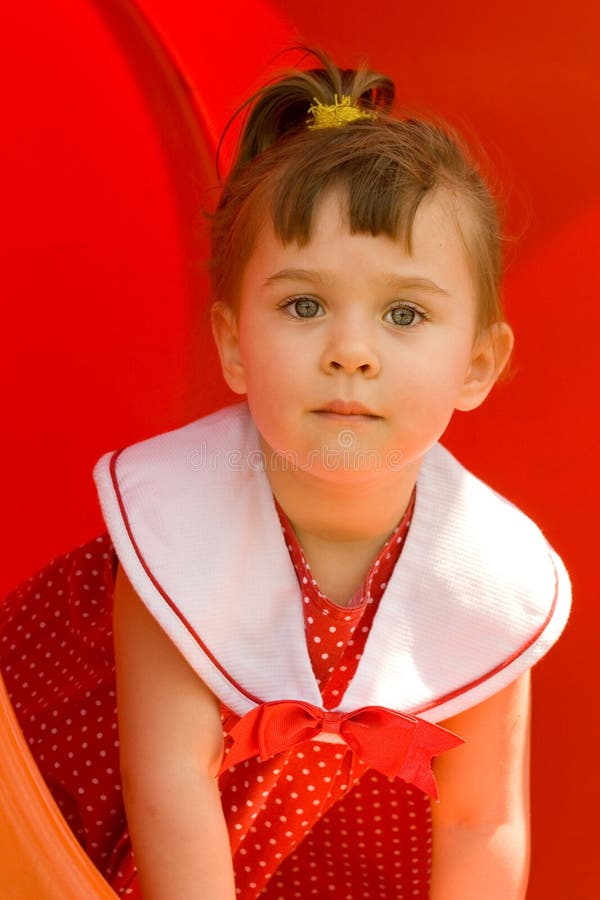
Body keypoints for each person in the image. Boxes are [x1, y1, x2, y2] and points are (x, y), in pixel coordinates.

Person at [0, 48, 570, 900]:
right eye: (303, 306)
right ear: (234, 344)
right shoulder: (180, 534)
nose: (350, 352)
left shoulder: (484, 576)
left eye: (404, 313)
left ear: (479, 364)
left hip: (328, 860)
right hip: (121, 857)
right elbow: (171, 788)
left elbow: (480, 819)